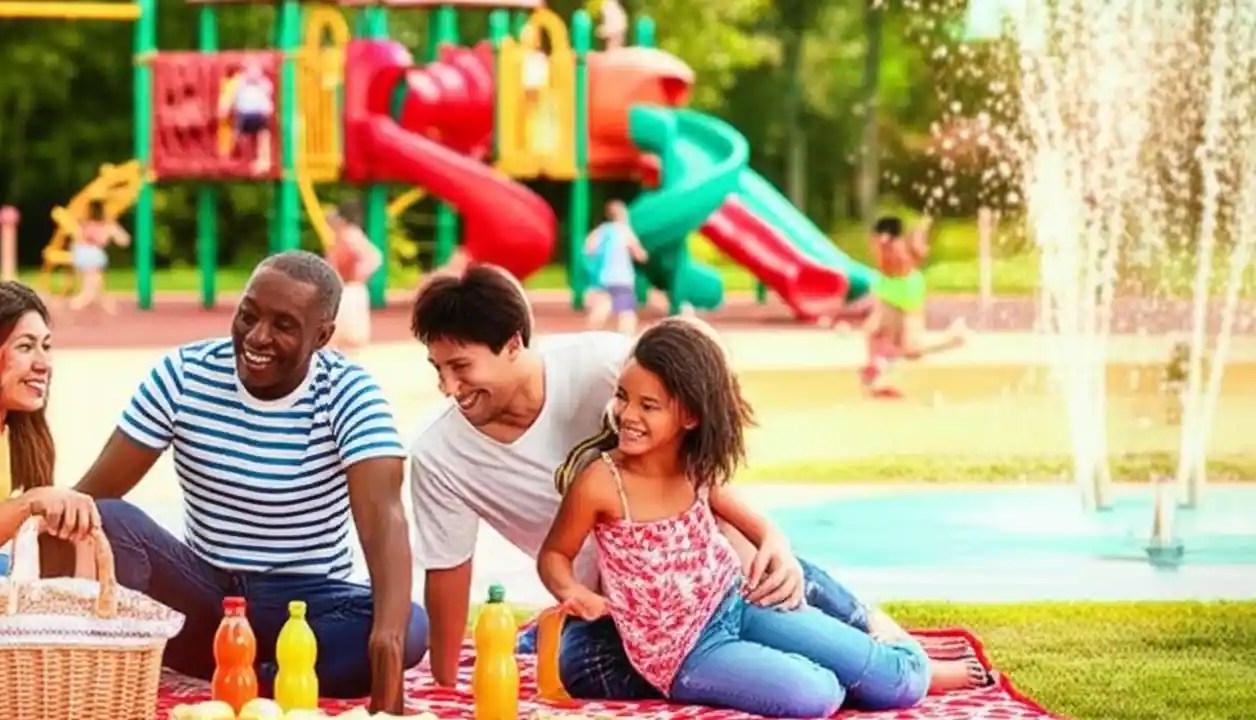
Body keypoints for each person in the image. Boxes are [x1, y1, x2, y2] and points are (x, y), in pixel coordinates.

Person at [406, 265, 984, 698]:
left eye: (461, 368)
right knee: (577, 667)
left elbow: (701, 469)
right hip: (624, 621)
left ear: (512, 345)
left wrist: (770, 540)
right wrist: (448, 680)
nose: (448, 389)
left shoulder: (613, 368)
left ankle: (884, 648)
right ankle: (820, 664)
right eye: (438, 370)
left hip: (709, 577)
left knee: (773, 575)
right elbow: (456, 569)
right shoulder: (444, 454)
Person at [68, 251, 426, 714]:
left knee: (410, 626)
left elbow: (384, 518)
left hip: (306, 607)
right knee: (107, 518)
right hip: (202, 595)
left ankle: (246, 677)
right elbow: (91, 497)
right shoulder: (184, 374)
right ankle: (149, 658)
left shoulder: (351, 392)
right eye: (248, 315)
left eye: (284, 325)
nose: (257, 337)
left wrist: (387, 647)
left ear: (322, 336)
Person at [539, 319, 935, 716]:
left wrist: (775, 545)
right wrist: (576, 594)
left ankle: (885, 640)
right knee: (816, 696)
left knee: (902, 683)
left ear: (689, 417)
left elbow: (760, 527)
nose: (627, 414)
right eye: (623, 397)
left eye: (649, 405)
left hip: (739, 602)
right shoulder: (601, 482)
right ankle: (829, 667)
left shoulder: (694, 467)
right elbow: (554, 555)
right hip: (685, 655)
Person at [0, 281, 102, 602]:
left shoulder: (20, 433)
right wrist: (28, 501)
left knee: (101, 520)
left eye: (46, 346)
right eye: (25, 346)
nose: (43, 364)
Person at [862, 215, 967, 398]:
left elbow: (918, 251)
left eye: (880, 241)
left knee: (909, 348)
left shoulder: (901, 248)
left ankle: (953, 340)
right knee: (875, 332)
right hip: (888, 288)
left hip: (906, 292)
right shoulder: (888, 247)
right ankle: (878, 374)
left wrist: (924, 226)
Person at [325, 199, 383, 353]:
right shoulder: (344, 234)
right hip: (348, 287)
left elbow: (374, 258)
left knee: (347, 335)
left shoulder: (350, 235)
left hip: (350, 288)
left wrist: (358, 275)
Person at [585, 200, 647, 335]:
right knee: (627, 312)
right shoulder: (624, 230)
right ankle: (627, 339)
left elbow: (589, 248)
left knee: (603, 305)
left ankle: (590, 333)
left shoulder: (602, 230)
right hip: (622, 277)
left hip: (605, 276)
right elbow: (639, 253)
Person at [69, 198, 131, 316]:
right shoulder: (106, 226)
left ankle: (107, 305)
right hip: (93, 256)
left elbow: (77, 240)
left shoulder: (83, 224)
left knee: (94, 284)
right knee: (90, 288)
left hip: (81, 255)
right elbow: (124, 240)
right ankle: (76, 305)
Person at [220, 59, 275, 174]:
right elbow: (231, 97)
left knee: (260, 136)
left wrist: (225, 106)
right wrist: (225, 107)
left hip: (253, 114)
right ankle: (242, 158)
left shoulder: (255, 83)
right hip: (248, 114)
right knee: (249, 135)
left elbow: (267, 97)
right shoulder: (243, 82)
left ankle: (261, 161)